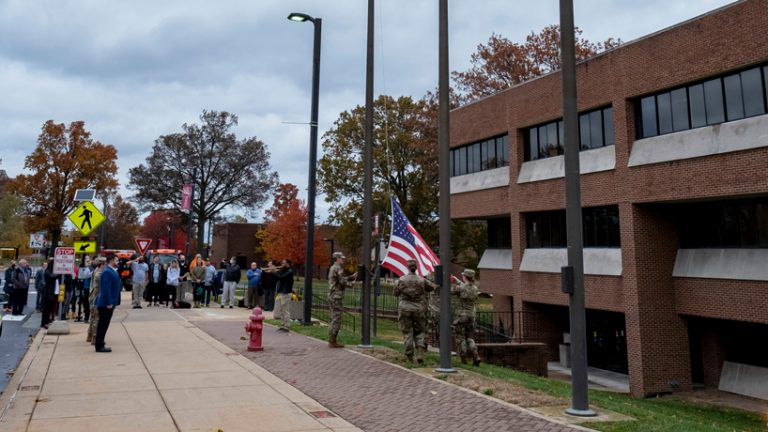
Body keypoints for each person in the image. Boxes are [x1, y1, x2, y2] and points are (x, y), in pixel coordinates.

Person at [393, 259, 435, 363]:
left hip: (405, 308)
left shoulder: (401, 280)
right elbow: (431, 287)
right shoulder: (422, 280)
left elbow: (395, 293)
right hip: (419, 309)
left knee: (407, 332)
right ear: (416, 268)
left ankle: (409, 356)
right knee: (420, 331)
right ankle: (420, 352)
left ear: (407, 267)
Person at [452, 268, 481, 366]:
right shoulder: (475, 288)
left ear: (465, 277)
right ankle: (475, 355)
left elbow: (451, 291)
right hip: (471, 316)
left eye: (463, 275)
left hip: (461, 316)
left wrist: (453, 283)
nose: (462, 277)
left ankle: (463, 358)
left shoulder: (461, 288)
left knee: (460, 337)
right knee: (469, 337)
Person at [327, 252, 356, 347]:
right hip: (336, 296)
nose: (343, 260)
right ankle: (332, 341)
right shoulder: (337, 268)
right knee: (336, 318)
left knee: (334, 317)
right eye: (341, 258)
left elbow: (340, 279)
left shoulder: (334, 268)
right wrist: (352, 283)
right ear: (337, 259)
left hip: (333, 295)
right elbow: (342, 281)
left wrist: (352, 277)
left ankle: (332, 339)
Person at [94, 253, 121, 353]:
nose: (118, 262)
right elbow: (106, 289)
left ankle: (101, 342)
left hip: (109, 302)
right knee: (103, 324)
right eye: (116, 260)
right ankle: (99, 345)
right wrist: (109, 302)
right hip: (105, 304)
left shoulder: (111, 271)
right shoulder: (107, 272)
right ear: (112, 260)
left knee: (104, 324)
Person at [87, 257, 106, 343]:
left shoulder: (95, 270)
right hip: (96, 298)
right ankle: (95, 338)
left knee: (93, 318)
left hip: (92, 297)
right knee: (96, 319)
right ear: (102, 264)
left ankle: (90, 336)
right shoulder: (99, 274)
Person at [274, 259, 295, 332]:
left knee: (285, 311)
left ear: (288, 264)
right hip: (281, 292)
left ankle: (287, 327)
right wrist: (273, 270)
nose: (282, 264)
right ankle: (282, 325)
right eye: (282, 263)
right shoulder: (283, 270)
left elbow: (281, 277)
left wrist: (274, 271)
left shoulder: (289, 272)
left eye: (284, 263)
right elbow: (277, 275)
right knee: (281, 310)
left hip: (286, 293)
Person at [41, 259, 58, 328]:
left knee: (50, 309)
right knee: (46, 309)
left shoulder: (50, 271)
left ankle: (48, 321)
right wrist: (59, 273)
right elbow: (52, 277)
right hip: (48, 293)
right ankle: (44, 322)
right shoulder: (47, 272)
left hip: (52, 292)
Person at [76, 256, 93, 321]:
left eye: (89, 260)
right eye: (86, 261)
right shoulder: (81, 267)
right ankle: (81, 315)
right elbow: (80, 277)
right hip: (82, 287)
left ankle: (86, 316)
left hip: (88, 287)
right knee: (81, 302)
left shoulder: (91, 268)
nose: (88, 262)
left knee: (87, 303)